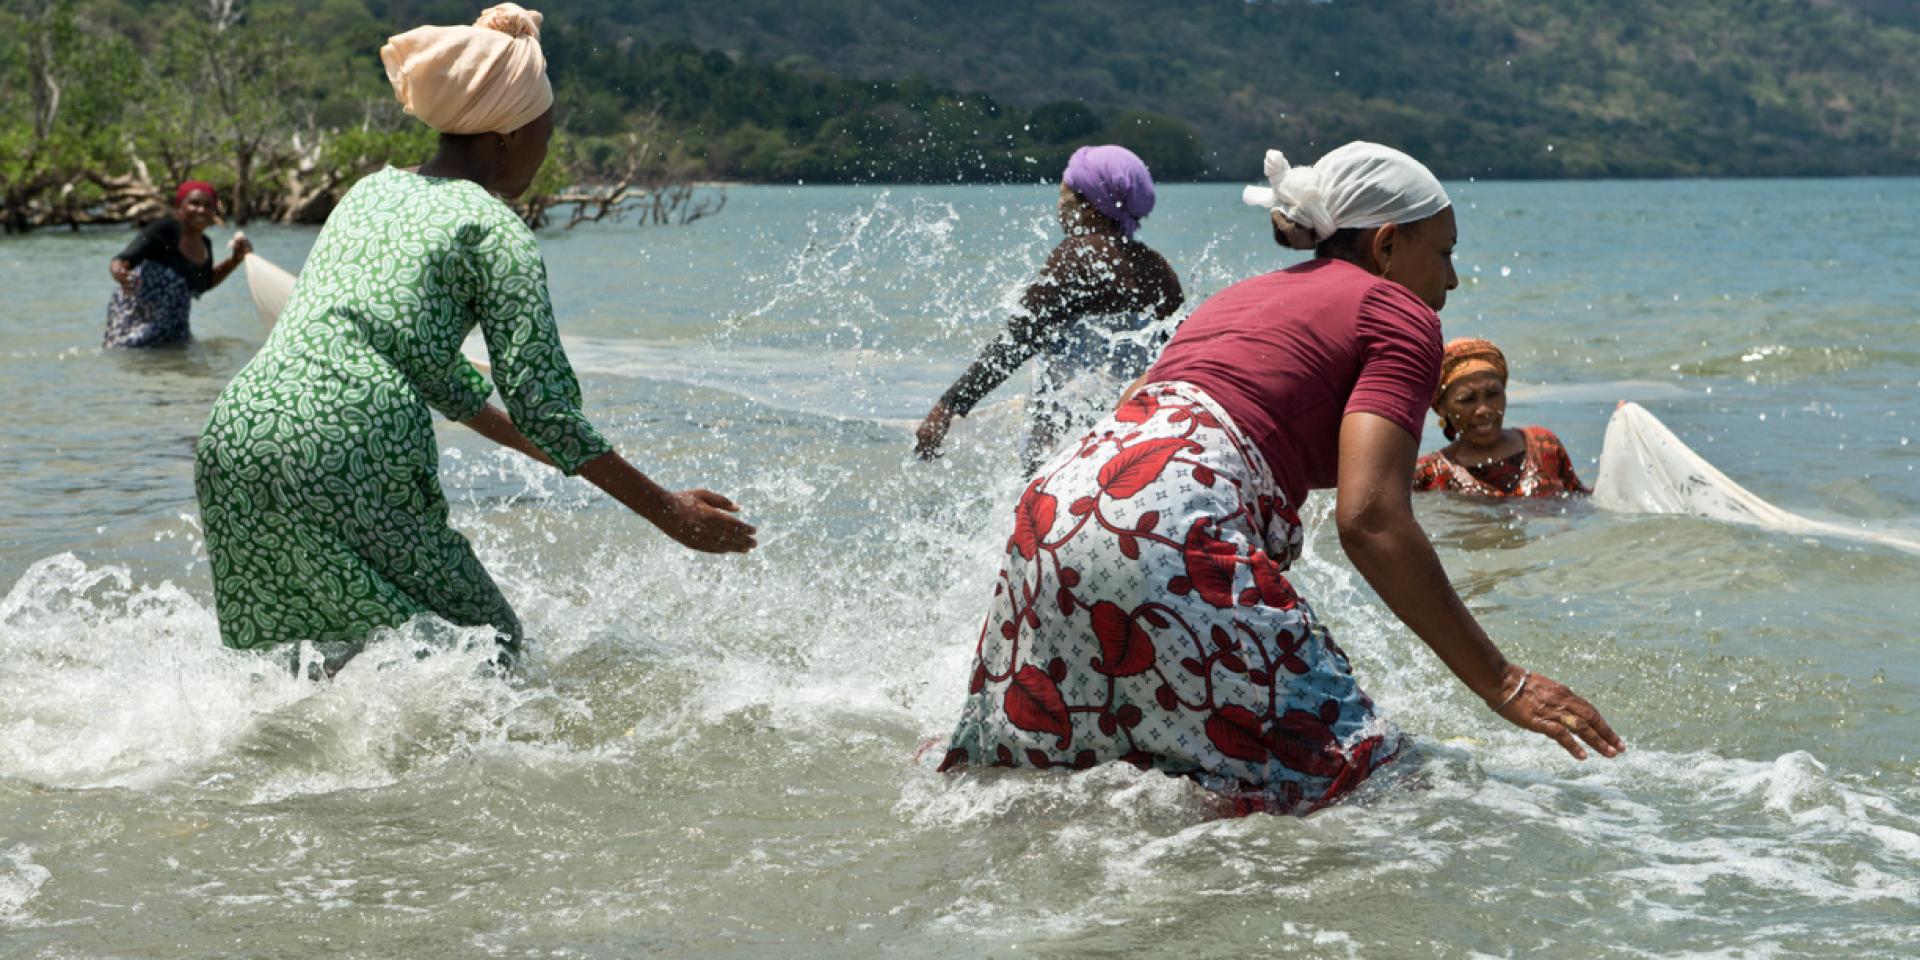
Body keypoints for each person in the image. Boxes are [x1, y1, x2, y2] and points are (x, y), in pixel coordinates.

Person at [935, 142, 1622, 813]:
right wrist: (1503, 682)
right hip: (1165, 524)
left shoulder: (1240, 298)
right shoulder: (1400, 315)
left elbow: (1136, 412)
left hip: (1051, 516)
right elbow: (1372, 521)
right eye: (1442, 252)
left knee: (1071, 787)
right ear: (1386, 246)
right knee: (1383, 789)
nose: (1451, 280)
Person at [194, 4, 756, 670]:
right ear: (507, 135)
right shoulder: (494, 229)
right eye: (545, 131)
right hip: (351, 440)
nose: (546, 150)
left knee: (321, 657)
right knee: (486, 650)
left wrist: (592, 469)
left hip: (236, 433)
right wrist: (667, 510)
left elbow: (433, 375)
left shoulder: (369, 195)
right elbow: (542, 406)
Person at [914, 145, 1183, 473]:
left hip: (1065, 444)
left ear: (1088, 205)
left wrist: (947, 408)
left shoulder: (1076, 255)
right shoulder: (1158, 268)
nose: (1058, 207)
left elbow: (1018, 341)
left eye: (1063, 195)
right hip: (1135, 440)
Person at [1414, 337, 1588, 497]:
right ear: (1442, 408)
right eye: (1467, 399)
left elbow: (1582, 501)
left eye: (1493, 394)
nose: (1484, 409)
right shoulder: (1429, 474)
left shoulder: (1544, 445)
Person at [103, 182, 252, 348]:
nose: (201, 210)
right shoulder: (163, 230)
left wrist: (235, 260)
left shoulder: (205, 245)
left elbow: (204, 283)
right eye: (194, 203)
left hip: (174, 328)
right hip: (135, 322)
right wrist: (118, 271)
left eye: (208, 205)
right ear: (180, 207)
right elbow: (125, 258)